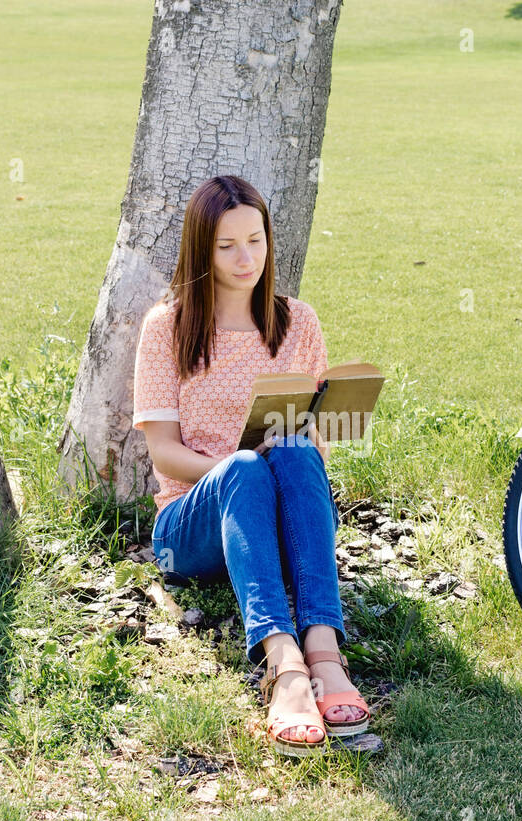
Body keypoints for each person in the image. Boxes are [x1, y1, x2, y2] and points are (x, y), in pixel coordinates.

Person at [131, 174, 369, 757]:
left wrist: (324, 429)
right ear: (201, 250)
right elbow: (161, 450)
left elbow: (318, 444)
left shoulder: (297, 322)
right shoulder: (168, 327)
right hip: (189, 529)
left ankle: (323, 651)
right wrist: (237, 467)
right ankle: (283, 664)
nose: (246, 259)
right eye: (227, 246)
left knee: (293, 447)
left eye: (256, 241)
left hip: (275, 522)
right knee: (245, 466)